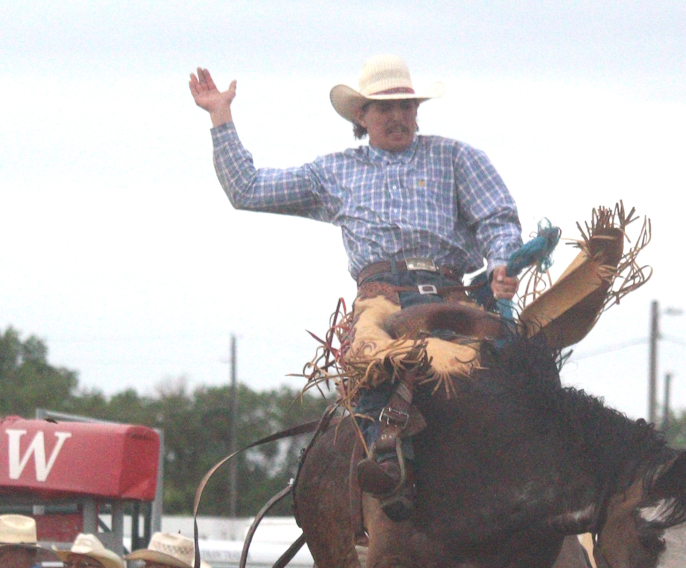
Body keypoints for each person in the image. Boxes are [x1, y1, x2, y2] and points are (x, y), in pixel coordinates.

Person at [189, 54, 523, 519]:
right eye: (384, 108)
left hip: (451, 294)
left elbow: (497, 219)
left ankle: (523, 471)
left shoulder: (458, 157)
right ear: (360, 117)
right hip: (381, 298)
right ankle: (387, 462)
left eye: (406, 107)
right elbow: (247, 188)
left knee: (505, 370)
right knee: (373, 363)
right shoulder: (334, 172)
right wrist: (220, 116)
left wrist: (503, 263)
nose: (398, 117)